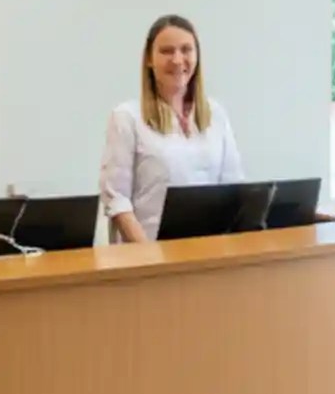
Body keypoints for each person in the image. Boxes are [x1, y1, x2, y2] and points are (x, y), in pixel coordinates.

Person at [99, 14, 243, 243]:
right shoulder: (127, 117)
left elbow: (233, 187)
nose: (177, 60)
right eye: (167, 51)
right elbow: (117, 200)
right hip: (150, 257)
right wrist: (149, 255)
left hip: (210, 254)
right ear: (149, 59)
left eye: (186, 50)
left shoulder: (216, 114)